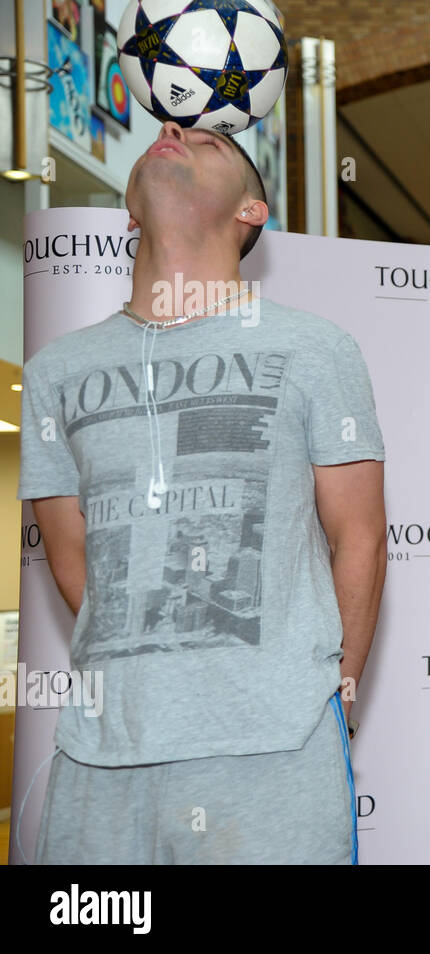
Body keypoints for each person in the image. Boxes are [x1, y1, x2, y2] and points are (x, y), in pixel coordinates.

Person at [19, 121, 387, 864]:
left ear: (252, 211)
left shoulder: (315, 348)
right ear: (129, 212)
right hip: (102, 759)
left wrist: (329, 697)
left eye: (211, 143)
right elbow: (72, 563)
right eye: (165, 133)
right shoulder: (56, 372)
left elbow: (361, 540)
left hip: (274, 750)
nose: (172, 127)